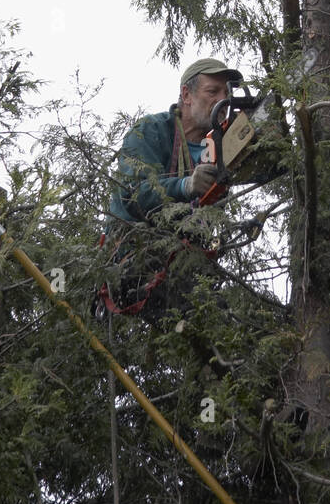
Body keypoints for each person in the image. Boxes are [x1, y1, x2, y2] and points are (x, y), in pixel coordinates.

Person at [98, 59, 242, 318]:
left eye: (227, 94)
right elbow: (133, 193)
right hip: (135, 259)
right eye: (213, 92)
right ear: (186, 95)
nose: (223, 100)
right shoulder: (151, 130)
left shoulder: (221, 144)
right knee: (209, 314)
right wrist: (186, 185)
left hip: (186, 260)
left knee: (223, 314)